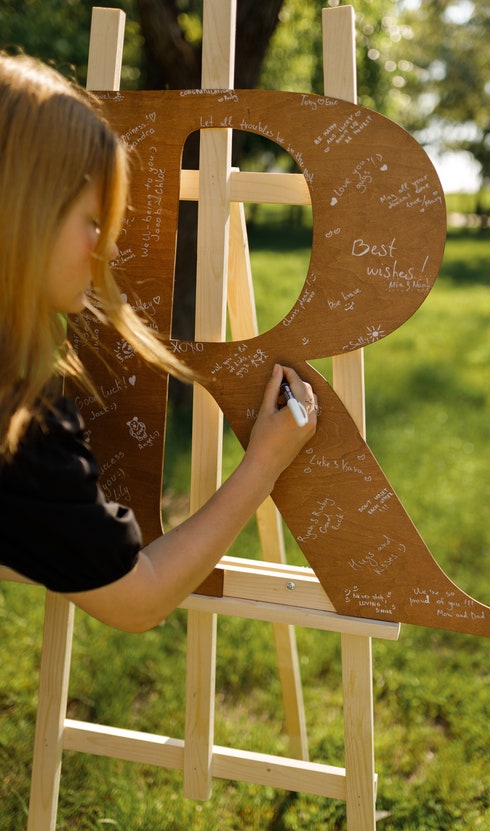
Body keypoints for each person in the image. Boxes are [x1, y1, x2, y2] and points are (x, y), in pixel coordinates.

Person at [0, 52, 317, 632]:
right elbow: (139, 598)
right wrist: (264, 465)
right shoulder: (19, 423)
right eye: (94, 222)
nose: (110, 251)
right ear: (25, 213)